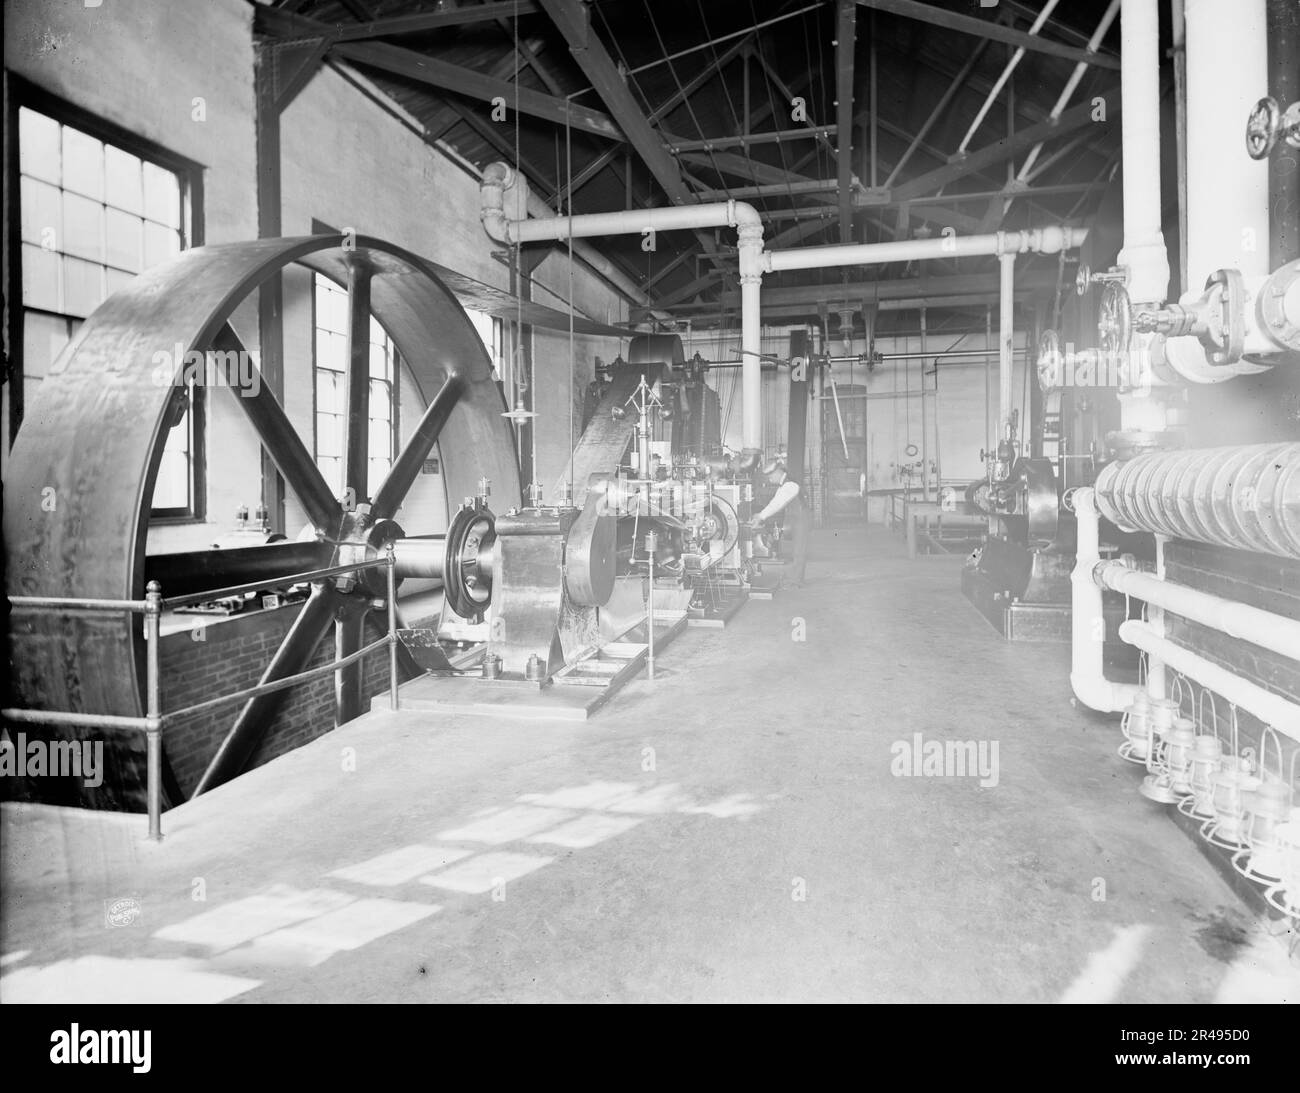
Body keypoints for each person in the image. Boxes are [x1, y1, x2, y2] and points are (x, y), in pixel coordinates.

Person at [751, 459, 811, 587]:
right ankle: (793, 577)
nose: (769, 479)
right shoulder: (784, 485)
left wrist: (761, 516)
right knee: (795, 549)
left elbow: (777, 504)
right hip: (795, 518)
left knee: (799, 550)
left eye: (770, 475)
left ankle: (796, 581)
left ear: (779, 472)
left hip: (800, 518)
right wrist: (761, 515)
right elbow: (775, 501)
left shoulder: (790, 485)